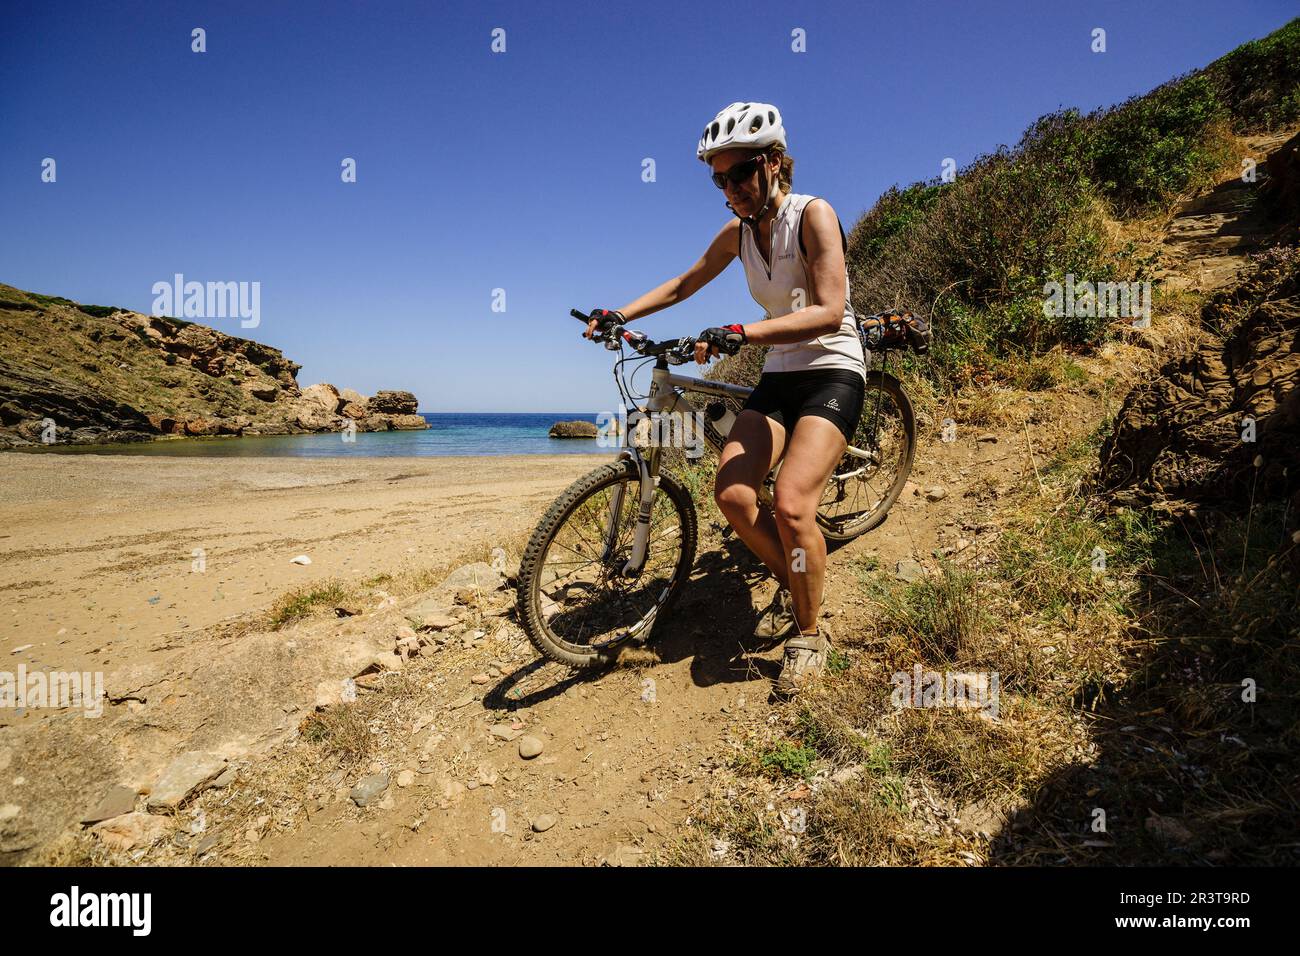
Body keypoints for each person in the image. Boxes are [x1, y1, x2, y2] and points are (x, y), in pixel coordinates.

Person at [584, 101, 866, 698]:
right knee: (734, 495)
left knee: (791, 506)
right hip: (783, 371)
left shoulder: (812, 215)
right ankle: (793, 580)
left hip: (832, 366)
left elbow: (829, 311)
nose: (728, 188)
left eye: (738, 173)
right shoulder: (737, 234)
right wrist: (619, 312)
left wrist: (740, 332)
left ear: (773, 165)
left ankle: (810, 632)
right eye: (718, 178)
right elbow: (686, 283)